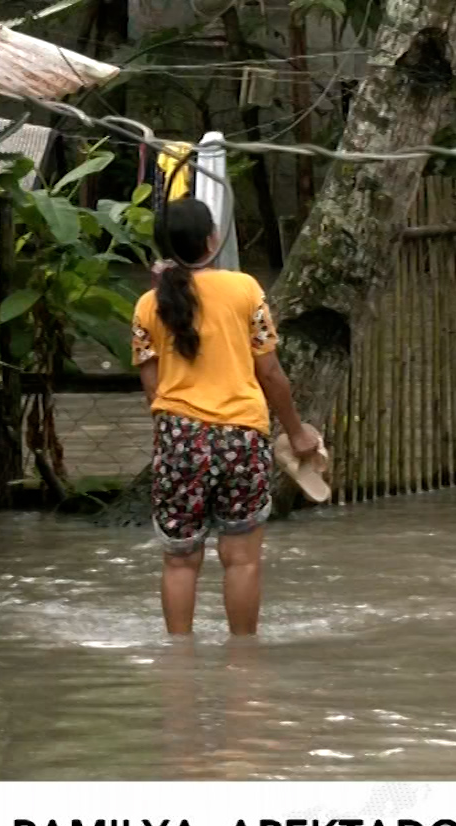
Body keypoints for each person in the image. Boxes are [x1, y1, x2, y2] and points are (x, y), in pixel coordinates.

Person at [131, 197, 322, 636]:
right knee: (242, 561)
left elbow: (152, 389)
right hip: (241, 436)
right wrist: (296, 432)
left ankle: (179, 670)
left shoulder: (147, 305)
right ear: (211, 240)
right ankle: (244, 667)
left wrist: (179, 436)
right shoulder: (245, 290)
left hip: (179, 439)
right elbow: (270, 374)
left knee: (179, 563)